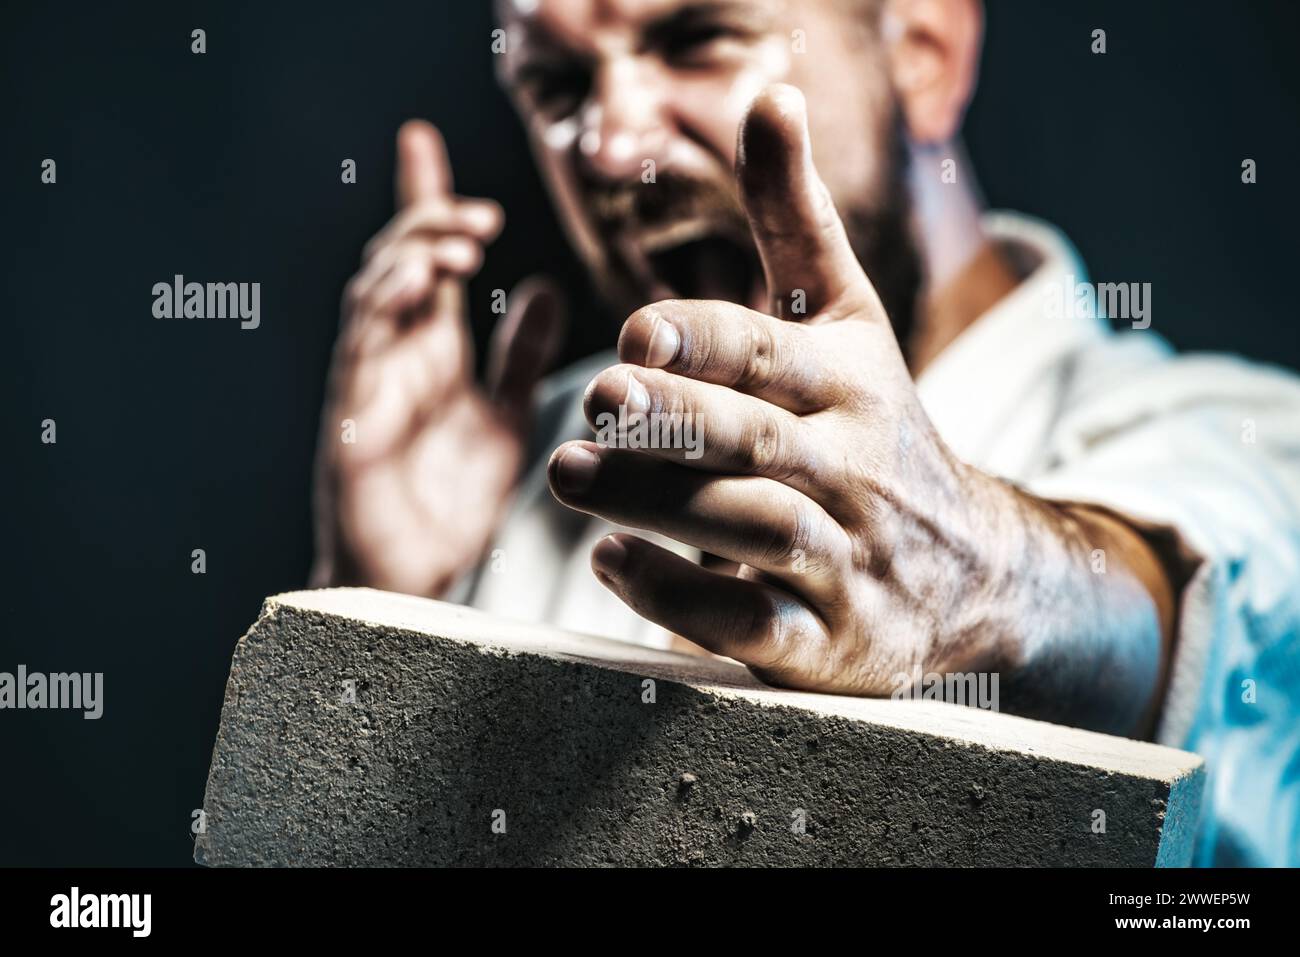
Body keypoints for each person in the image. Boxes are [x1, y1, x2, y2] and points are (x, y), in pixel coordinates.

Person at [310, 0, 1300, 866]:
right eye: (557, 86)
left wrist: (986, 584)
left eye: (696, 36)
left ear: (922, 49)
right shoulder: (522, 470)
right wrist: (389, 607)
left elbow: (1184, 626)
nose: (609, 147)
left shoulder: (1249, 442)